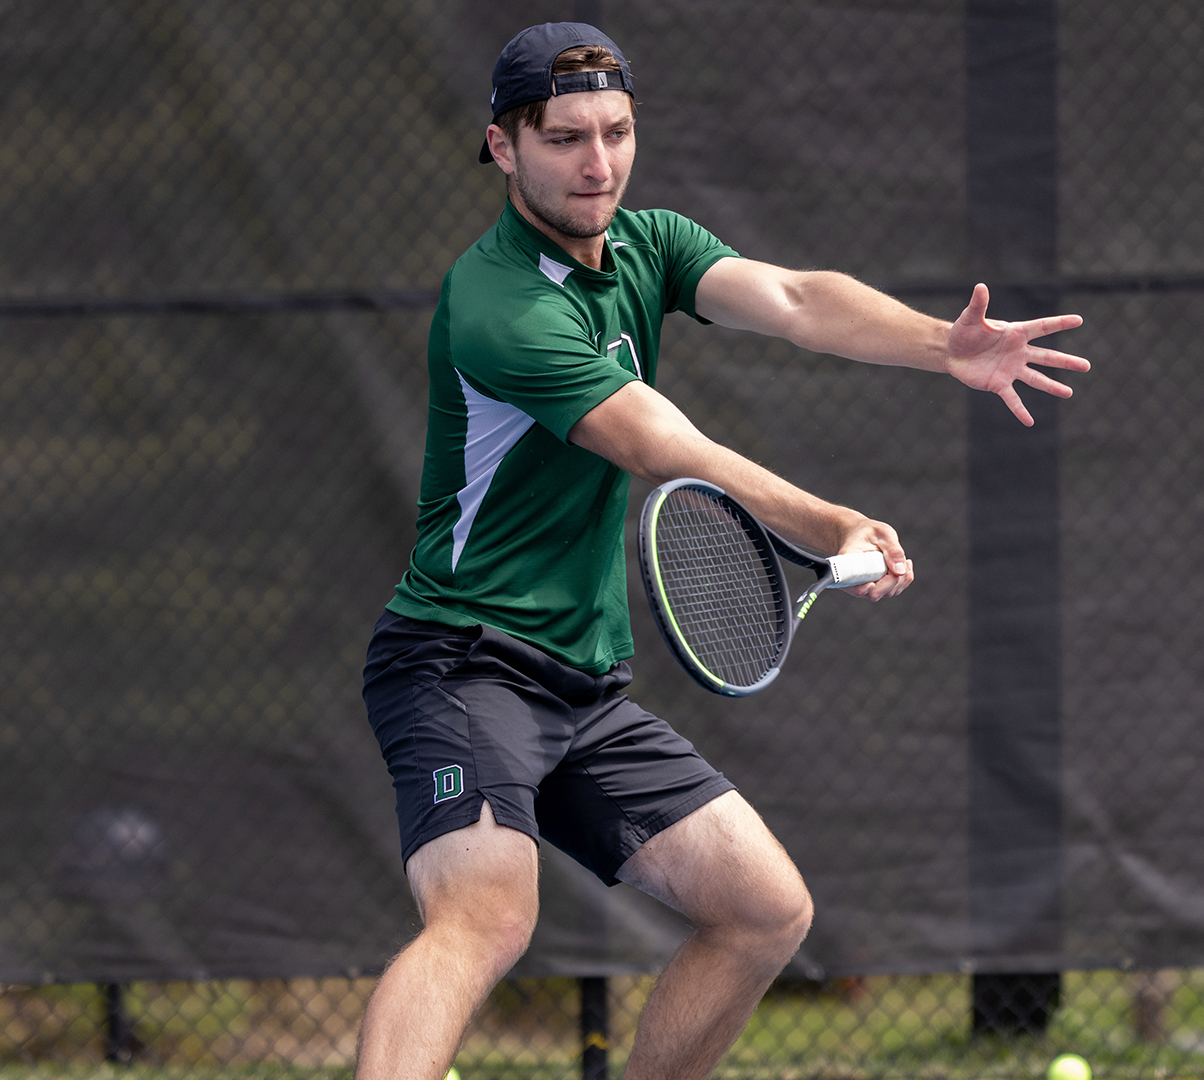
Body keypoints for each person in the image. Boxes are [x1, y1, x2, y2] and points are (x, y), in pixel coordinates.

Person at [354, 22, 1088, 1080]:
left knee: (761, 913)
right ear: (504, 146)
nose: (596, 163)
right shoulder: (499, 303)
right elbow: (664, 446)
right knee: (485, 919)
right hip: (461, 660)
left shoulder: (647, 245)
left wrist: (944, 345)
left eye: (614, 132)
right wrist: (828, 522)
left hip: (581, 684)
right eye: (563, 138)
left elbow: (795, 299)